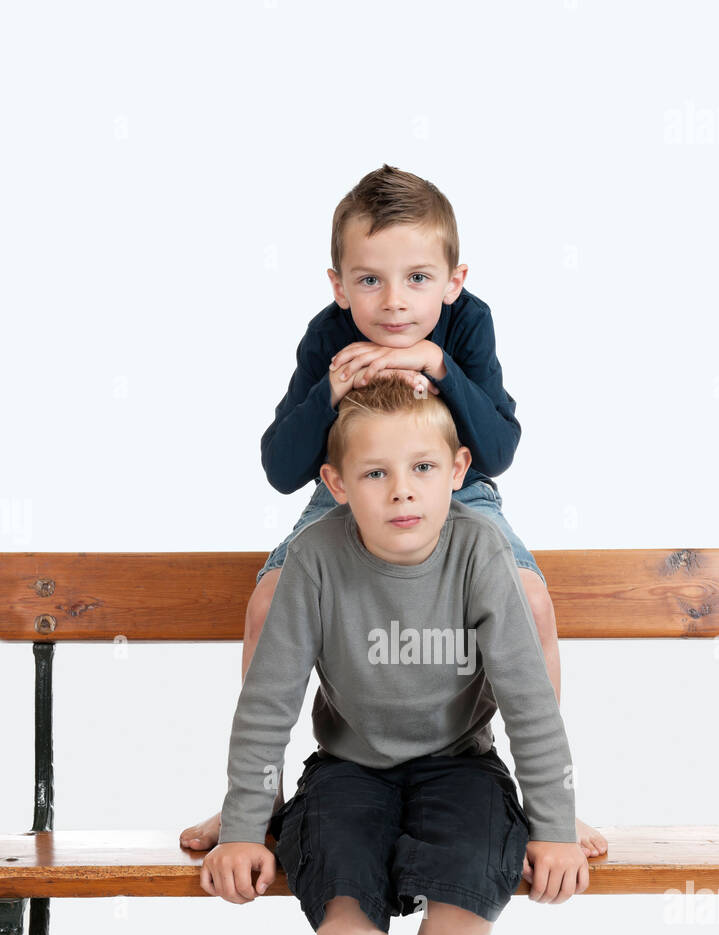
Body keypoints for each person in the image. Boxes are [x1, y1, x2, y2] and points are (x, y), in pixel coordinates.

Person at [199, 375, 592, 935]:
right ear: (337, 486)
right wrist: (241, 826)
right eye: (374, 474)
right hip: (349, 765)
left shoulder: (481, 552)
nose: (402, 490)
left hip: (460, 761)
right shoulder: (314, 558)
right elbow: (268, 701)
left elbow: (526, 699)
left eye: (420, 467)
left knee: (475, 869)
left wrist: (554, 826)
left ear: (458, 470)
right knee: (332, 870)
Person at [182, 161, 607, 860]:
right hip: (345, 487)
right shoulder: (330, 335)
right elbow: (281, 469)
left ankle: (544, 805)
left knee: (529, 603)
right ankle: (256, 803)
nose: (392, 302)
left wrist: (441, 366)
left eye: (416, 278)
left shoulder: (467, 326)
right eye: (368, 279)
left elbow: (494, 450)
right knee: (268, 604)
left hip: (456, 487)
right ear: (339, 284)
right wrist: (326, 393)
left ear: (453, 280)